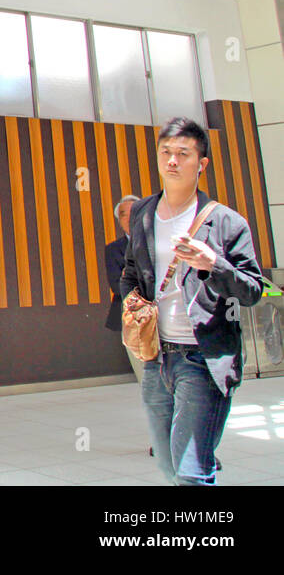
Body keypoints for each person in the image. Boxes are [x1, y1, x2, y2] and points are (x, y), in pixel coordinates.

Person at [121, 116, 264, 485]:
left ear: (202, 163)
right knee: (169, 466)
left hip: (203, 358)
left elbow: (252, 290)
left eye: (183, 153)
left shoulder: (227, 223)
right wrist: (133, 304)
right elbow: (131, 271)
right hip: (156, 358)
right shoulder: (143, 213)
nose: (172, 160)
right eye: (165, 152)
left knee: (190, 474)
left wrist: (213, 264)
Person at [105, 194, 144, 384]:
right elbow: (116, 285)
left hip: (166, 315)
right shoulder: (113, 249)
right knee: (144, 372)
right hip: (132, 314)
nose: (128, 218)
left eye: (133, 212)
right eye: (123, 215)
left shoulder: (159, 242)